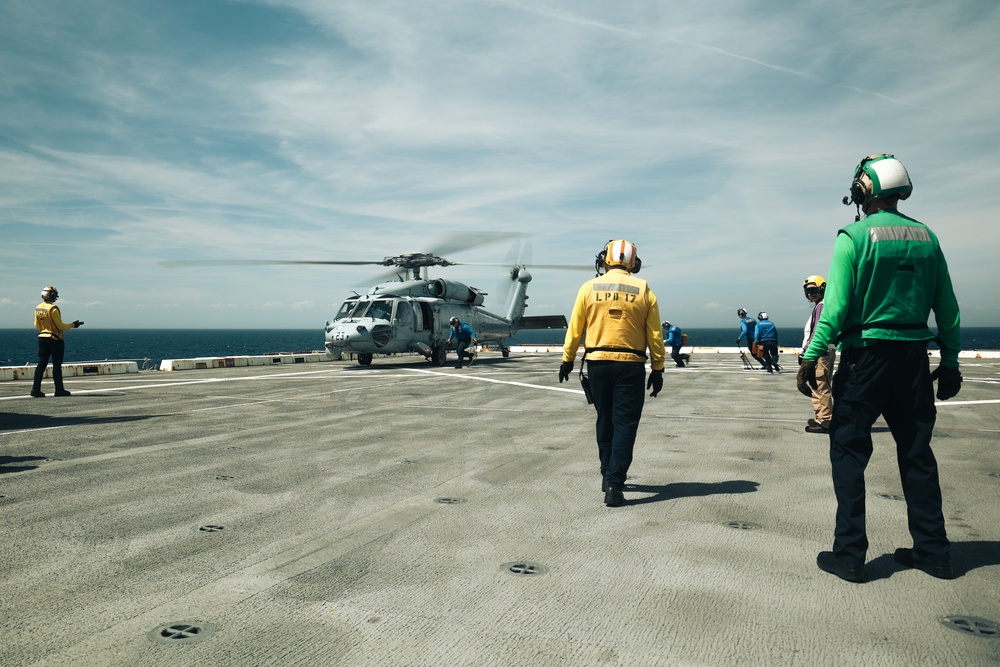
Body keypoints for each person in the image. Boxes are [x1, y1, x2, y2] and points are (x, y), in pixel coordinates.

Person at [798, 153, 962, 583]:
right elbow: (947, 307)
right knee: (917, 454)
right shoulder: (928, 237)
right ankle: (934, 552)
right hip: (912, 360)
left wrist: (810, 357)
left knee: (849, 453)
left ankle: (850, 553)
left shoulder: (853, 236)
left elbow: (832, 312)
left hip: (866, 358)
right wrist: (950, 361)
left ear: (863, 190)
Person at [559, 240, 666, 507]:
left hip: (598, 364)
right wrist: (658, 368)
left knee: (604, 421)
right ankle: (615, 485)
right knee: (625, 426)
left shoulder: (588, 287)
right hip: (630, 365)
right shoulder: (644, 289)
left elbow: (575, 328)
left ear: (605, 259)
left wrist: (567, 359)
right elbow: (655, 335)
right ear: (633, 263)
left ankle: (607, 474)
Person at [31, 285, 83, 398]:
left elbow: (36, 324)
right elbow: (60, 326)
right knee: (57, 365)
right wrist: (73, 325)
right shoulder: (53, 309)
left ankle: (35, 389)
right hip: (54, 339)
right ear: (52, 295)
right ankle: (59, 390)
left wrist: (45, 327)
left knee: (41, 364)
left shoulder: (38, 307)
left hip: (42, 338)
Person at [801, 276, 836, 433]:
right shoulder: (822, 305)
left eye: (813, 290)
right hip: (824, 350)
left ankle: (825, 421)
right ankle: (820, 417)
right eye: (807, 291)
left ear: (822, 289)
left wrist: (806, 352)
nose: (810, 294)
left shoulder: (822, 306)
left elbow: (817, 332)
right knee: (819, 384)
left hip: (820, 352)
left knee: (820, 385)